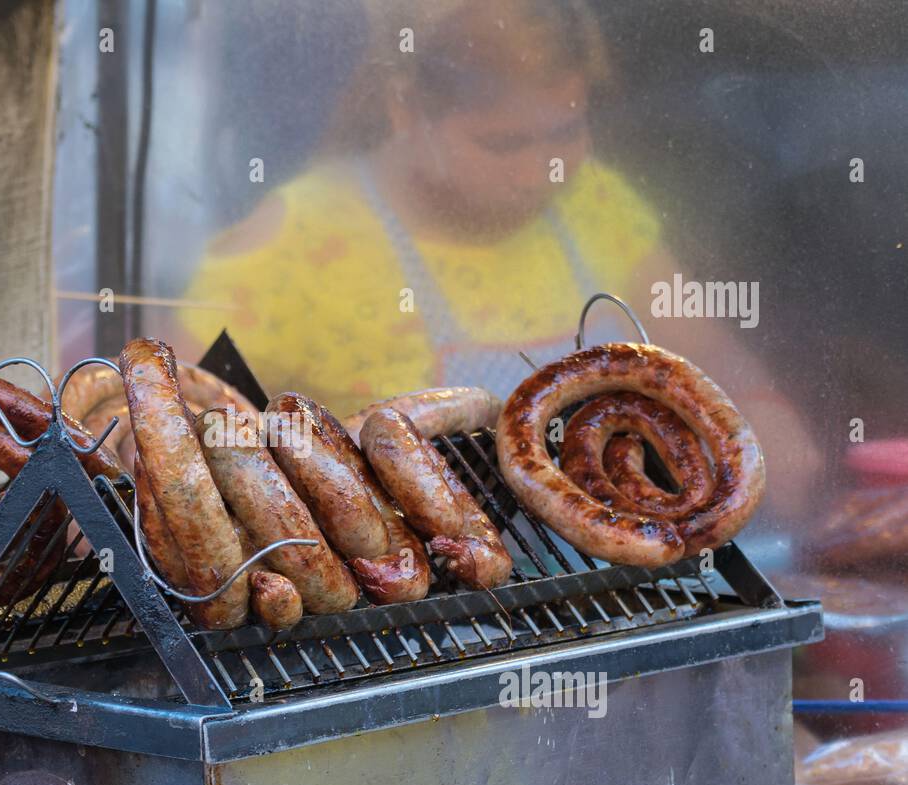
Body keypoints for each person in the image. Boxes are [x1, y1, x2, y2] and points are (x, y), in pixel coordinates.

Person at [165, 0, 819, 519]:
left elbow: (710, 360)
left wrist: (772, 426)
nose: (543, 171)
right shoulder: (291, 243)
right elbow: (169, 430)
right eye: (504, 144)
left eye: (565, 130)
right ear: (406, 109)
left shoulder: (593, 201)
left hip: (611, 607)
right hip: (403, 637)